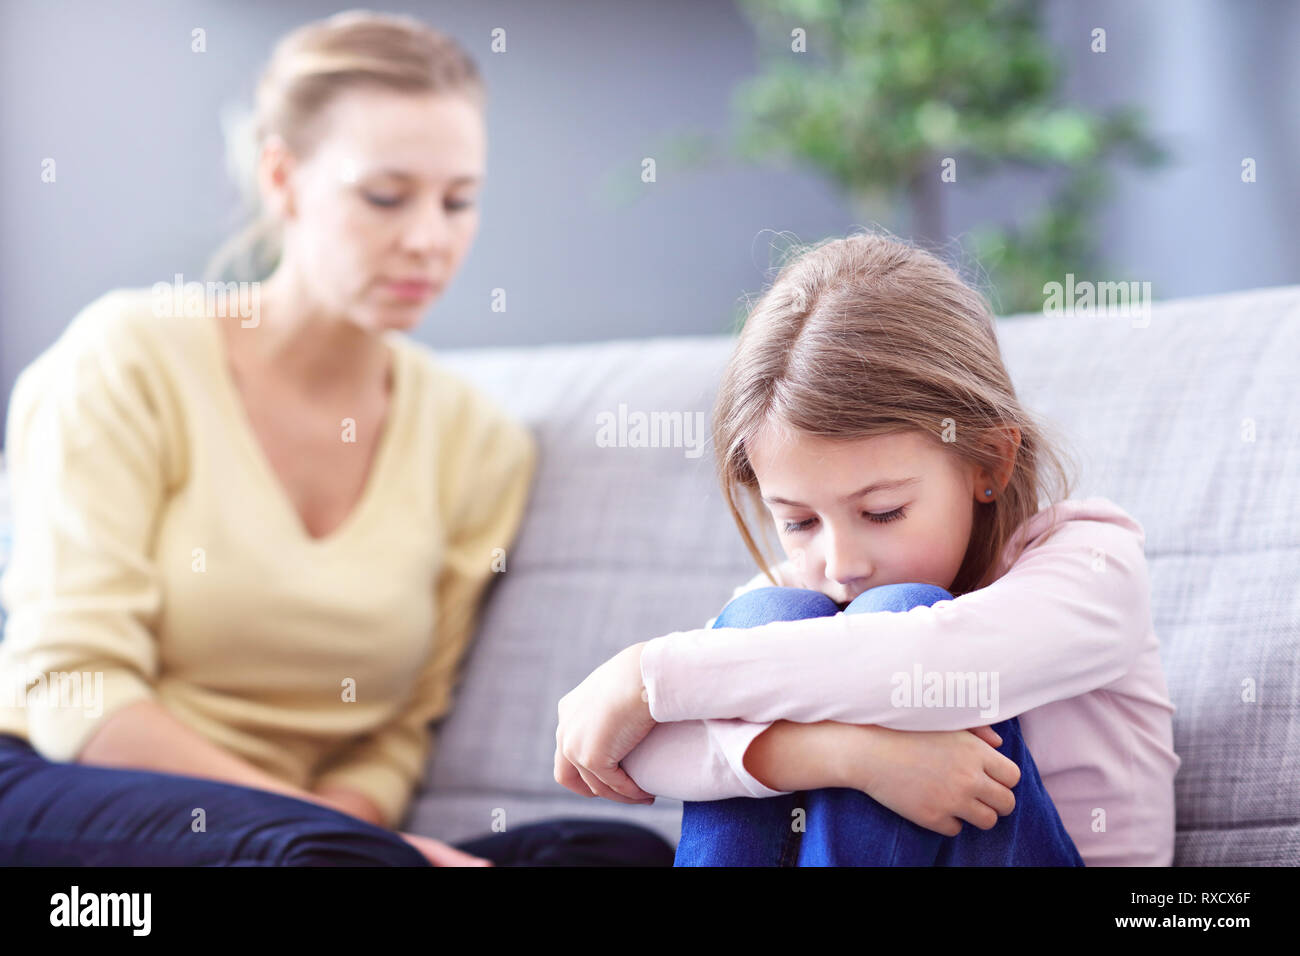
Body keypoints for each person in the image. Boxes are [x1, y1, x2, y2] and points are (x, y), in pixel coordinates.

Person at [0, 10, 672, 868]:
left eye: (458, 200)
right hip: (65, 785)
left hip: (314, 840)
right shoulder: (128, 359)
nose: (429, 237)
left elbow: (397, 731)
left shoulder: (475, 441)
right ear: (282, 180)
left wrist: (361, 836)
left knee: (614, 854)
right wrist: (353, 843)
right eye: (385, 196)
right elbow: (76, 690)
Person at [554, 230, 1180, 866]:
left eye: (882, 512)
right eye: (799, 522)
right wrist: (858, 758)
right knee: (764, 619)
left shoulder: (1094, 564)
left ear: (988, 460)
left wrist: (648, 675)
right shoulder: (798, 596)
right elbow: (643, 748)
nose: (840, 563)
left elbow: (934, 665)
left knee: (897, 610)